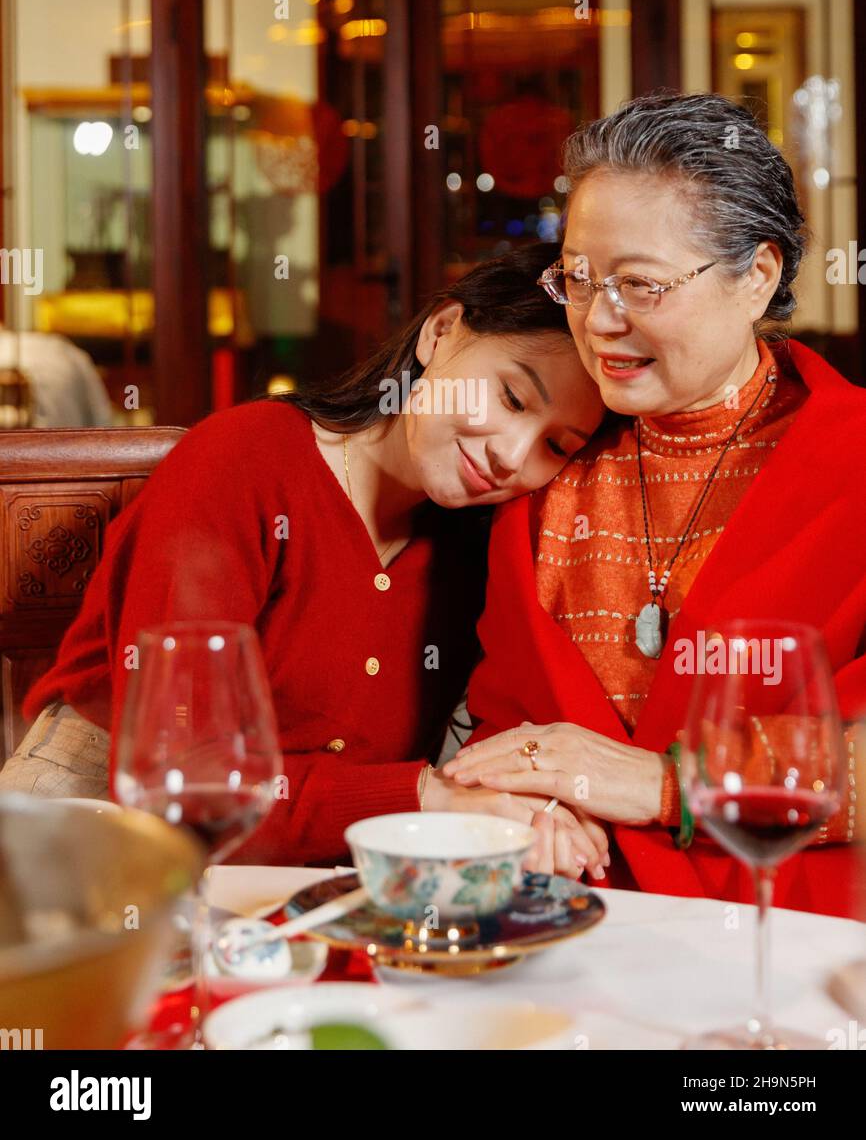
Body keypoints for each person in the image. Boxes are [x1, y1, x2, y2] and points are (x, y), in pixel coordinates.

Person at [4, 245, 609, 877]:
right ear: (441, 332)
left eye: (556, 445)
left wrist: (537, 804)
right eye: (512, 398)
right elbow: (186, 782)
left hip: (319, 872)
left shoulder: (476, 547)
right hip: (98, 837)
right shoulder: (242, 462)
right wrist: (428, 796)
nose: (512, 455)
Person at [443, 92, 866, 919]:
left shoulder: (850, 458)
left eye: (640, 284)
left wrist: (669, 783)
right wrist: (525, 802)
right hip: (559, 924)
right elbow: (504, 718)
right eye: (577, 277)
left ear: (758, 277)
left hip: (785, 937)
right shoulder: (543, 453)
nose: (598, 320)